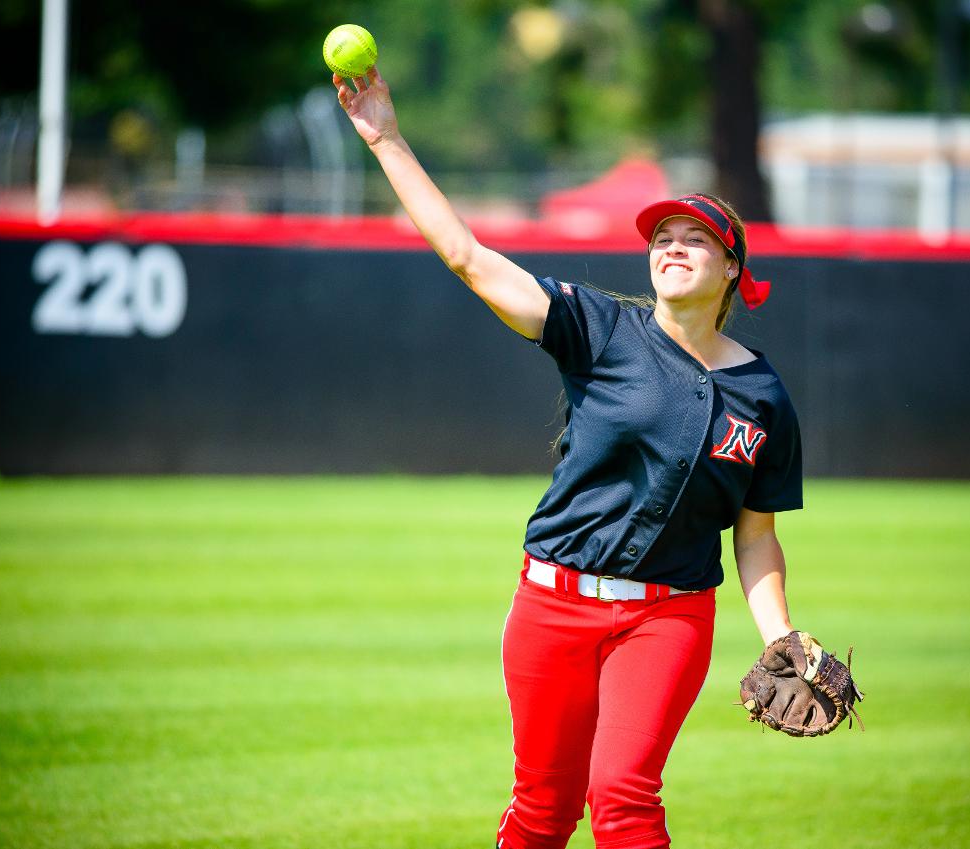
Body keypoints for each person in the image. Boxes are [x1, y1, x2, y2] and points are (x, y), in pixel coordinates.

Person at [334, 66, 802, 849]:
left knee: (622, 796)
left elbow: (754, 536)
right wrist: (385, 137)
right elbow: (466, 256)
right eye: (662, 238)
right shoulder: (600, 328)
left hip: (667, 613)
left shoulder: (763, 395)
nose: (673, 248)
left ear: (732, 270)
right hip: (551, 603)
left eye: (696, 240)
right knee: (545, 808)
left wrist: (781, 635)